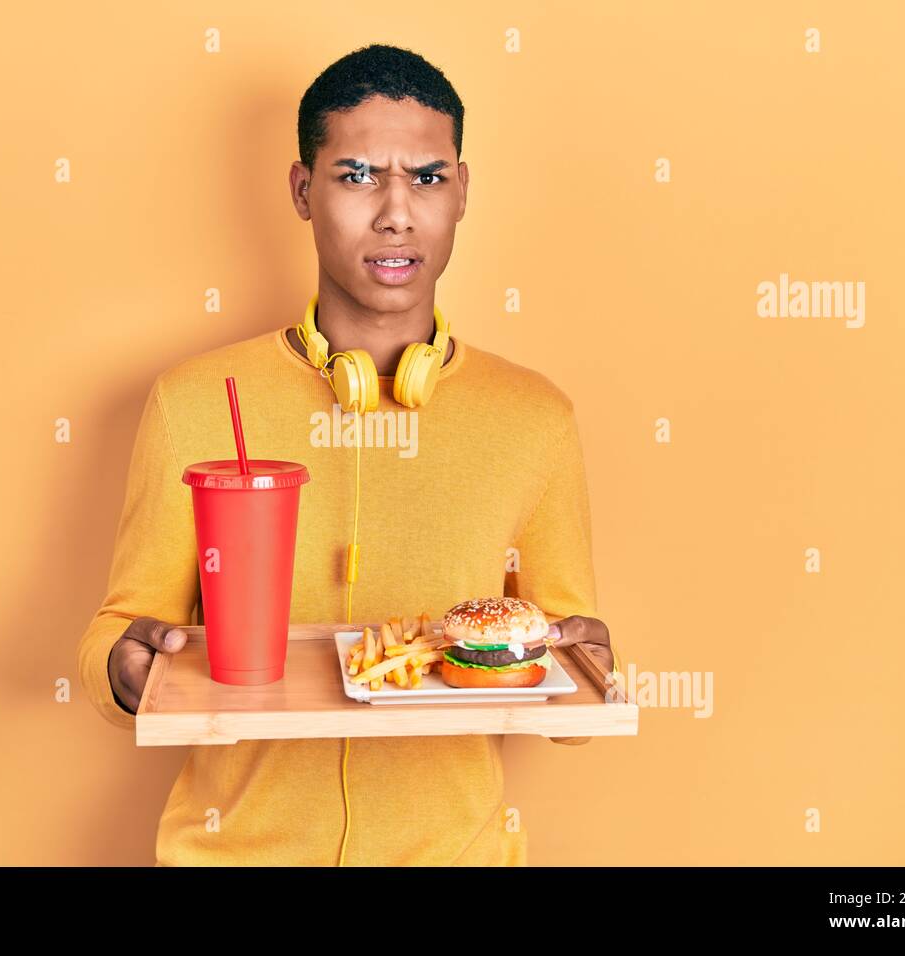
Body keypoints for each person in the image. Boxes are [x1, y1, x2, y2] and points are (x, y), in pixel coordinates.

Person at [77, 43, 617, 866]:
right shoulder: (192, 400)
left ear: (462, 192)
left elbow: (564, 677)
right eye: (358, 175)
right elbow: (115, 635)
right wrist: (123, 665)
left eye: (428, 179)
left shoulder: (534, 418)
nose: (396, 214)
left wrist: (593, 660)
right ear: (303, 190)